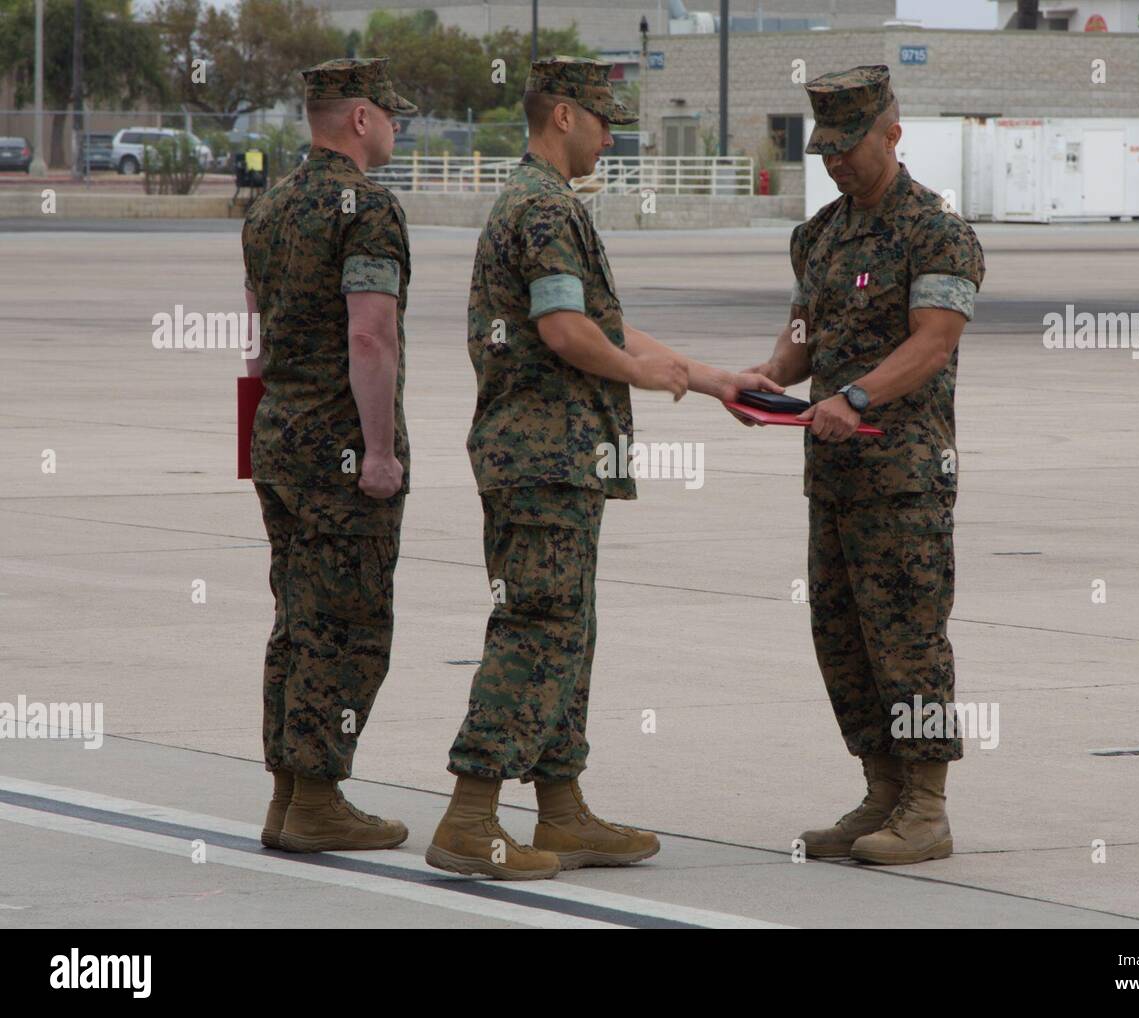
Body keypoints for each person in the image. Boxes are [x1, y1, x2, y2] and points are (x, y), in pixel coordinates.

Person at [426, 57, 781, 880]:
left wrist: (712, 376)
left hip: (559, 457)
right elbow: (565, 333)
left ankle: (563, 809)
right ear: (560, 116)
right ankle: (470, 815)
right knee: (538, 627)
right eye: (599, 117)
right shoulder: (542, 208)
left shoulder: (550, 205)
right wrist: (653, 377)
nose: (610, 133)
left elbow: (605, 328)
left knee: (569, 631)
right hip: (541, 456)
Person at [742, 65, 985, 865]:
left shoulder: (936, 230)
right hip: (833, 477)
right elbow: (802, 335)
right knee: (841, 637)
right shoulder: (818, 235)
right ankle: (880, 790)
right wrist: (768, 377)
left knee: (908, 637)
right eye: (825, 150)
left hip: (905, 477)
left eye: (849, 147)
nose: (836, 162)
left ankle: (926, 806)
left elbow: (932, 341)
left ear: (892, 131)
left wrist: (854, 397)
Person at [241, 57, 417, 853]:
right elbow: (369, 335)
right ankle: (317, 798)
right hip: (339, 453)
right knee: (346, 625)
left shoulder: (269, 208)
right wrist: (378, 452)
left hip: (278, 440)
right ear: (359, 118)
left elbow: (256, 347)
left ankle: (288, 794)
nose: (397, 125)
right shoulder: (367, 207)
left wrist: (256, 439)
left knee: (296, 620)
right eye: (390, 112)